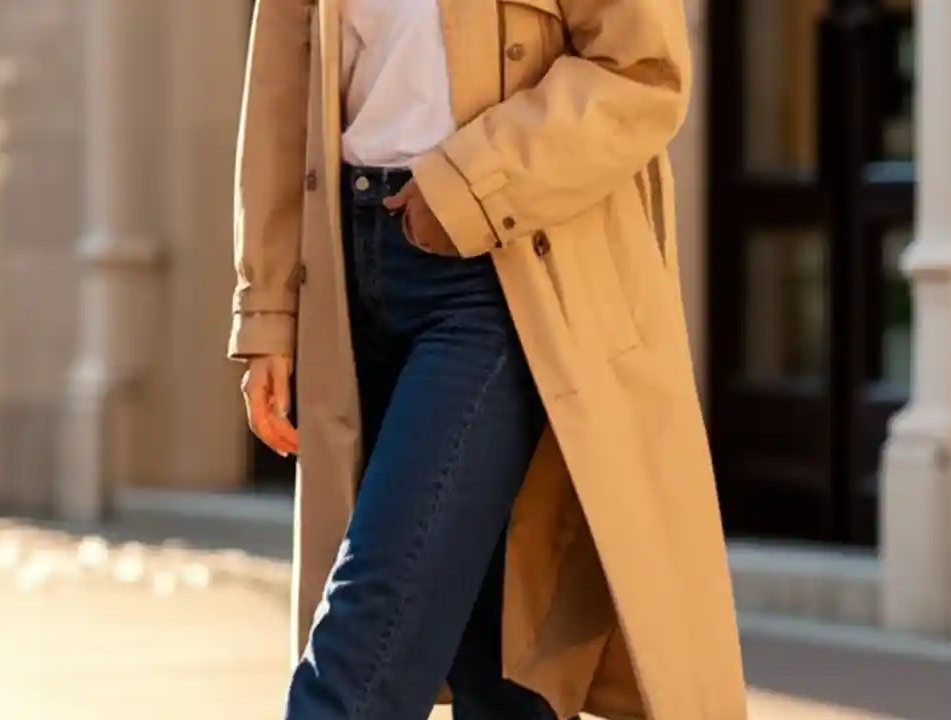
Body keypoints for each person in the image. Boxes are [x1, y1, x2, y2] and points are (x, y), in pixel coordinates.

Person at [229, 0, 747, 717]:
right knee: (498, 663)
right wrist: (269, 308)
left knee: (367, 633)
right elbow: (285, 79)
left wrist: (468, 183)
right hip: (350, 271)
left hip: (500, 274)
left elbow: (642, 71)